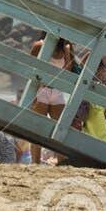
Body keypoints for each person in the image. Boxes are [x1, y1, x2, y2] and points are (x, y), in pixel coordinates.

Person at [29, 35, 77, 164]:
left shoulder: (65, 47)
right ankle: (35, 163)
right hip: (41, 90)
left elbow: (68, 71)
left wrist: (67, 51)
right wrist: (33, 92)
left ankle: (61, 162)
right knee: (38, 130)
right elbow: (29, 66)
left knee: (60, 128)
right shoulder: (39, 44)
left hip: (57, 90)